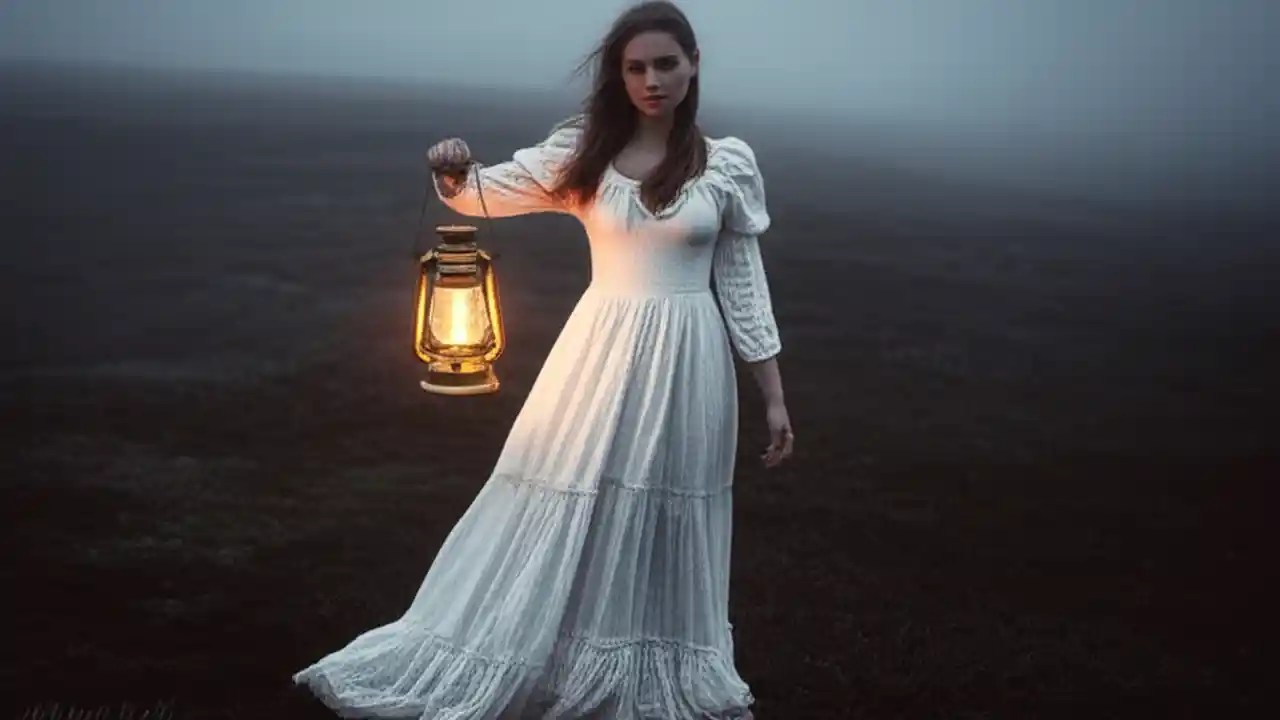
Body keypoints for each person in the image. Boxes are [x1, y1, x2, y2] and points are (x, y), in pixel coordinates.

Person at [292, 2, 790, 717]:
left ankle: (653, 657)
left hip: (692, 359)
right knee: (569, 489)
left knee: (669, 505)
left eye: (665, 64)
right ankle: (550, 649)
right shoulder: (585, 153)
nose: (652, 79)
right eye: (636, 67)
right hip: (600, 352)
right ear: (620, 77)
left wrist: (772, 393)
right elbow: (485, 195)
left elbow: (743, 284)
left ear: (693, 66)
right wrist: (453, 170)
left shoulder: (726, 165)